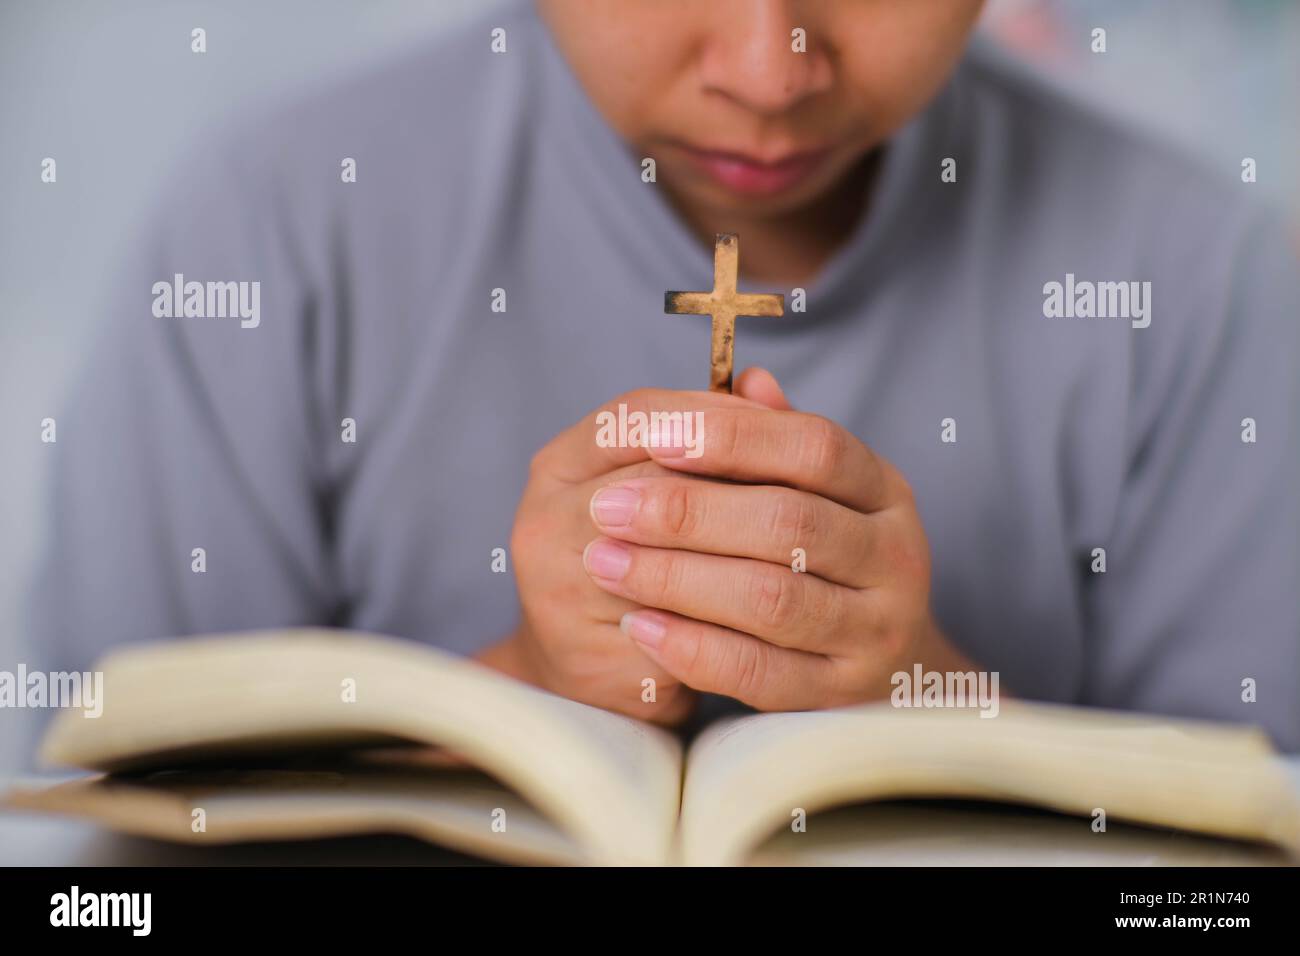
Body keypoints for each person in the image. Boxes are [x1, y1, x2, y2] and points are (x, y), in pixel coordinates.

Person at [32, 0, 1300, 748]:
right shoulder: (267, 226)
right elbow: (112, 829)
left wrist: (932, 698)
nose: (766, 70)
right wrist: (520, 692)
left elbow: (1222, 872)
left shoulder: (1205, 273)